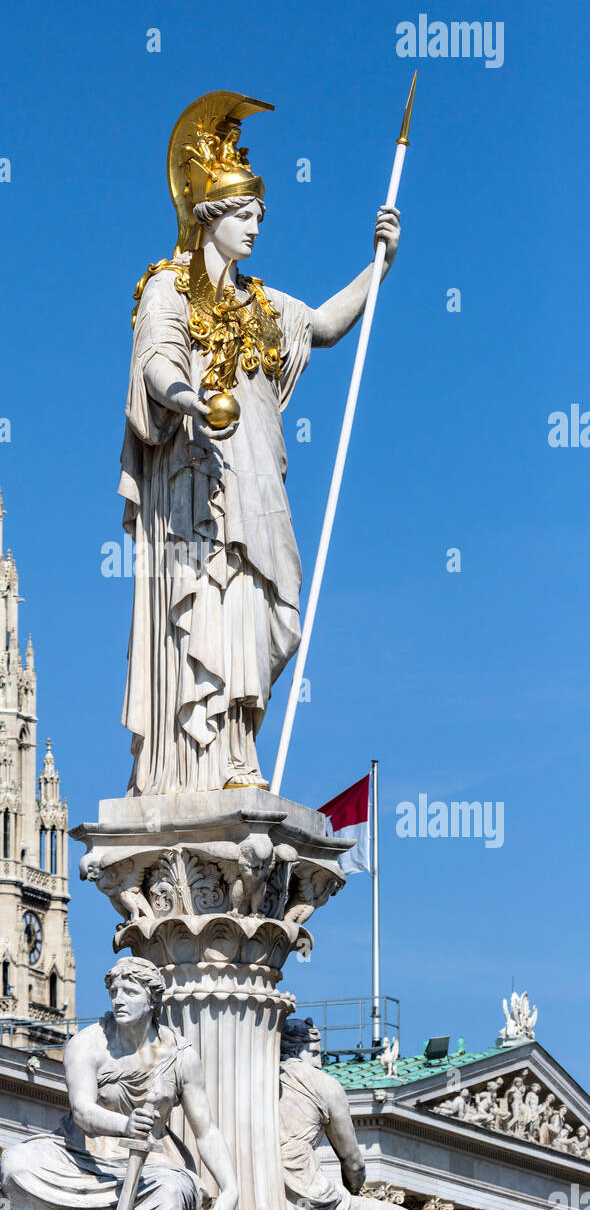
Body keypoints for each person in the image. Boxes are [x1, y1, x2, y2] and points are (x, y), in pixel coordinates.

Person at [121, 91, 401, 794]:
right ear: (209, 216)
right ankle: (216, 760)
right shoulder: (168, 289)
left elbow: (328, 326)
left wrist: (381, 264)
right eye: (245, 216)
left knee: (275, 614)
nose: (256, 229)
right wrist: (189, 400)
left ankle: (237, 742)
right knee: (214, 601)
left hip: (258, 481)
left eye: (260, 217)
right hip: (198, 483)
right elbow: (157, 362)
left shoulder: (263, 304)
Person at [0, 957, 238, 1210]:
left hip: (151, 1162)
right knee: (16, 1163)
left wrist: (229, 1188)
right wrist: (125, 1124)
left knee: (172, 1190)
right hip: (80, 1154)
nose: (119, 1000)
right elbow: (82, 1110)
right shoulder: (87, 1044)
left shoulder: (181, 1057)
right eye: (114, 992)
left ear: (152, 1000)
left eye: (131, 992)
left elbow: (206, 1131)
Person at [279, 1018, 407, 1210]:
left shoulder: (259, 1079)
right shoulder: (324, 1084)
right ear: (301, 1050)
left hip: (263, 1185)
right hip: (307, 1191)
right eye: (315, 1054)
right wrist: (352, 1193)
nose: (319, 1063)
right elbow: (353, 1163)